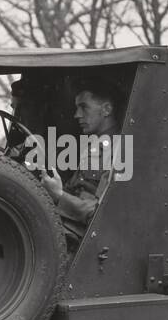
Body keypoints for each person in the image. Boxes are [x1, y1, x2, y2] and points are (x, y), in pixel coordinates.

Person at [38, 79, 123, 237]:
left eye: (84, 107)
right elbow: (73, 190)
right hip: (69, 226)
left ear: (106, 109)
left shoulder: (120, 150)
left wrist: (60, 195)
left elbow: (102, 214)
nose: (77, 115)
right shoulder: (94, 146)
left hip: (86, 239)